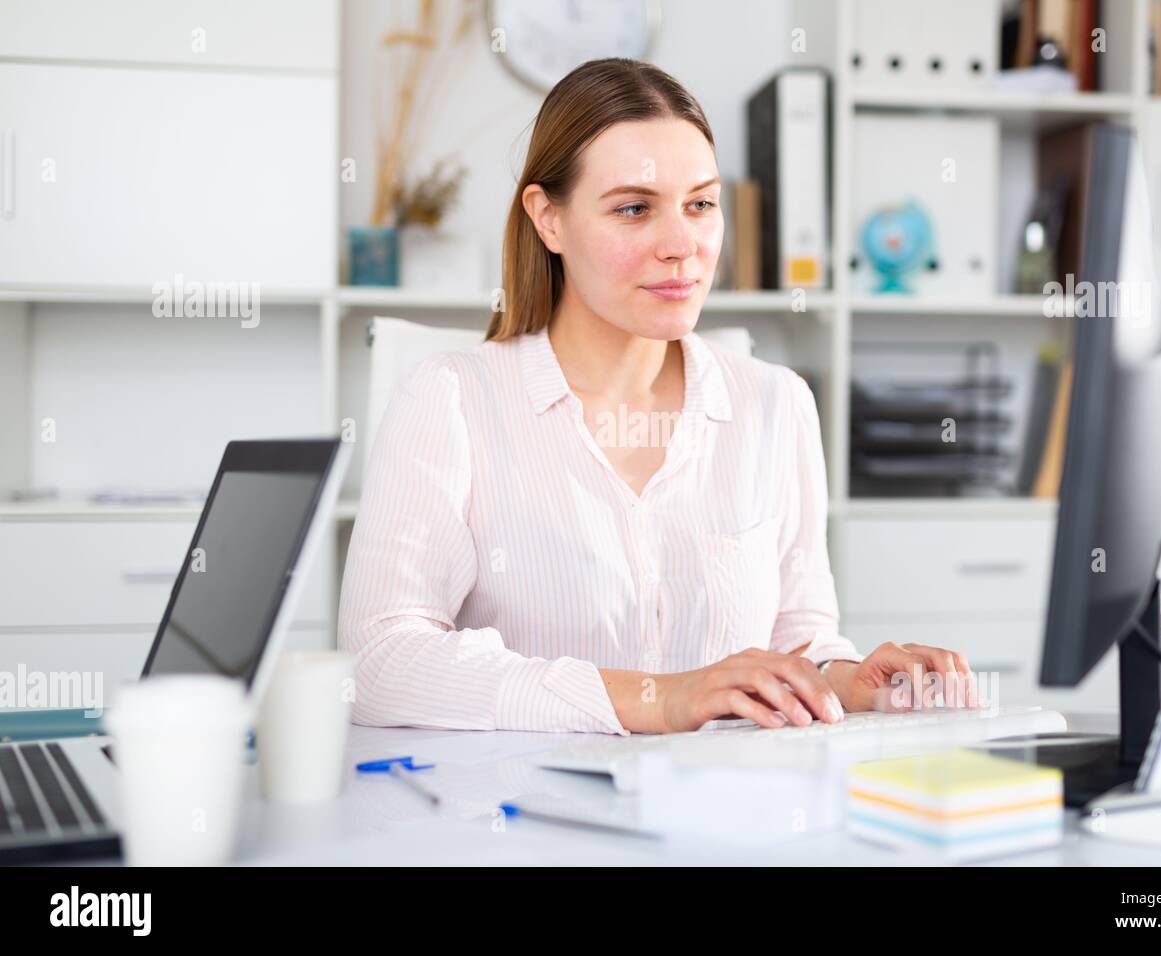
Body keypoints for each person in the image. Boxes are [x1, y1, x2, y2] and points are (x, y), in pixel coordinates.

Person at [337, 58, 975, 736]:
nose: (683, 246)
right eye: (635, 209)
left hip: (719, 824)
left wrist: (845, 681)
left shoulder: (776, 404)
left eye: (700, 204)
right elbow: (381, 663)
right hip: (520, 828)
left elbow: (800, 638)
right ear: (548, 219)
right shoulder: (452, 401)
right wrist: (660, 698)